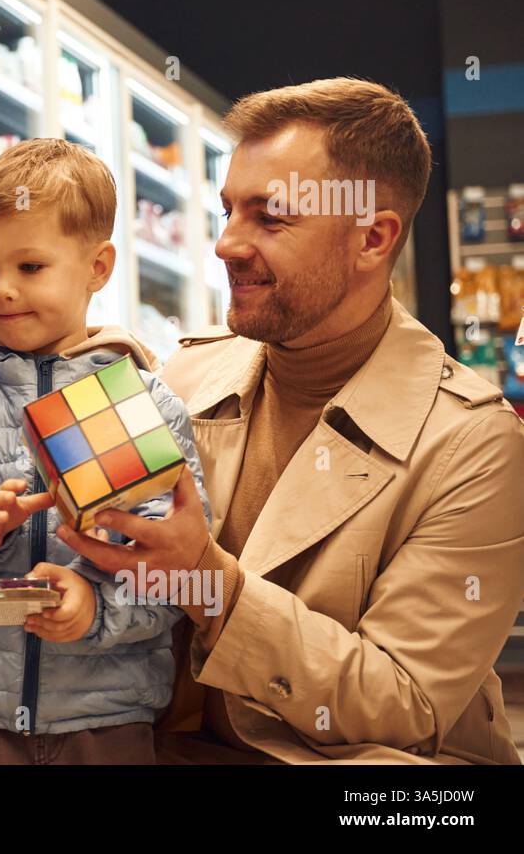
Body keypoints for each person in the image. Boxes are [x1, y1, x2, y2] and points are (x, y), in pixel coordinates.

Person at [57, 78, 524, 764]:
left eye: (269, 218)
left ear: (372, 238)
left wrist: (209, 584)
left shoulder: (474, 444)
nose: (226, 245)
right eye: (228, 211)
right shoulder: (180, 380)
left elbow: (404, 706)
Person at [0, 139, 211, 764]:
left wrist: (96, 606)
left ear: (98, 268)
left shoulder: (142, 402)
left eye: (30, 267)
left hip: (108, 718)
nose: (3, 292)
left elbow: (179, 567)